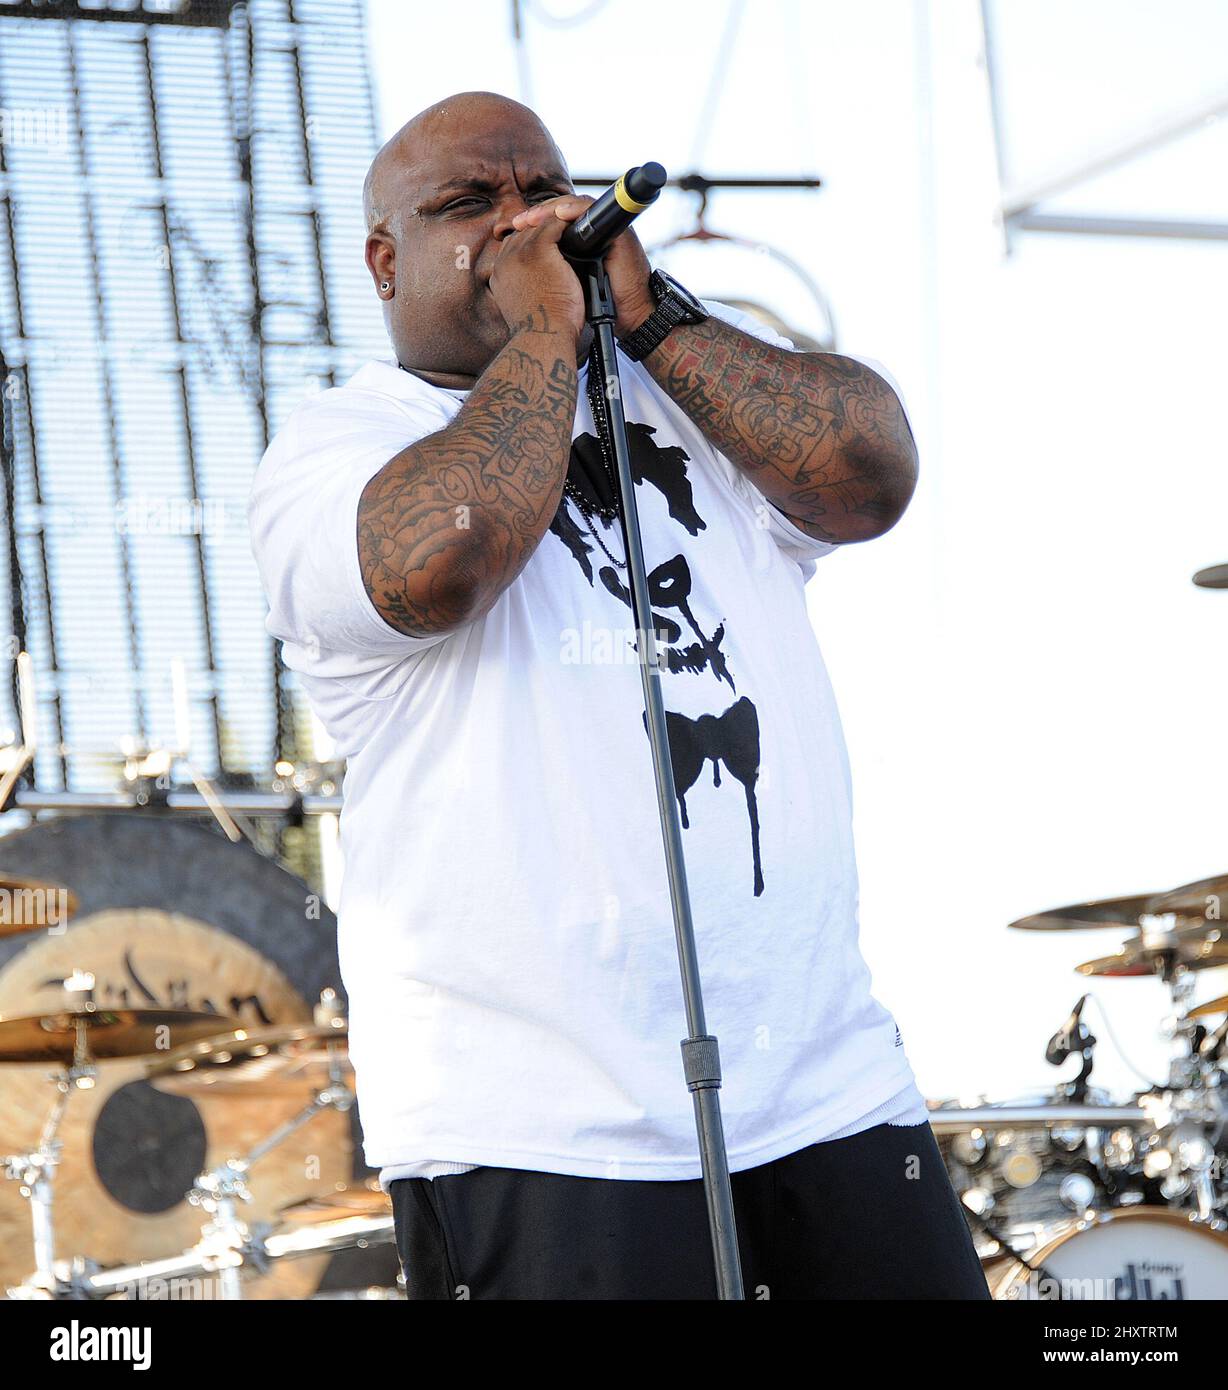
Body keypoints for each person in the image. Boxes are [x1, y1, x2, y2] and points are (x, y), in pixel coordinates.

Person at [248, 90, 989, 1300]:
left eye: (540, 191)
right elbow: (445, 554)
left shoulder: (682, 399)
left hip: (823, 1084)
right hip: (542, 1127)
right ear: (385, 261)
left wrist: (643, 316)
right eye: (465, 204)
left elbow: (870, 476)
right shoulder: (334, 449)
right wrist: (545, 333)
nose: (518, 220)